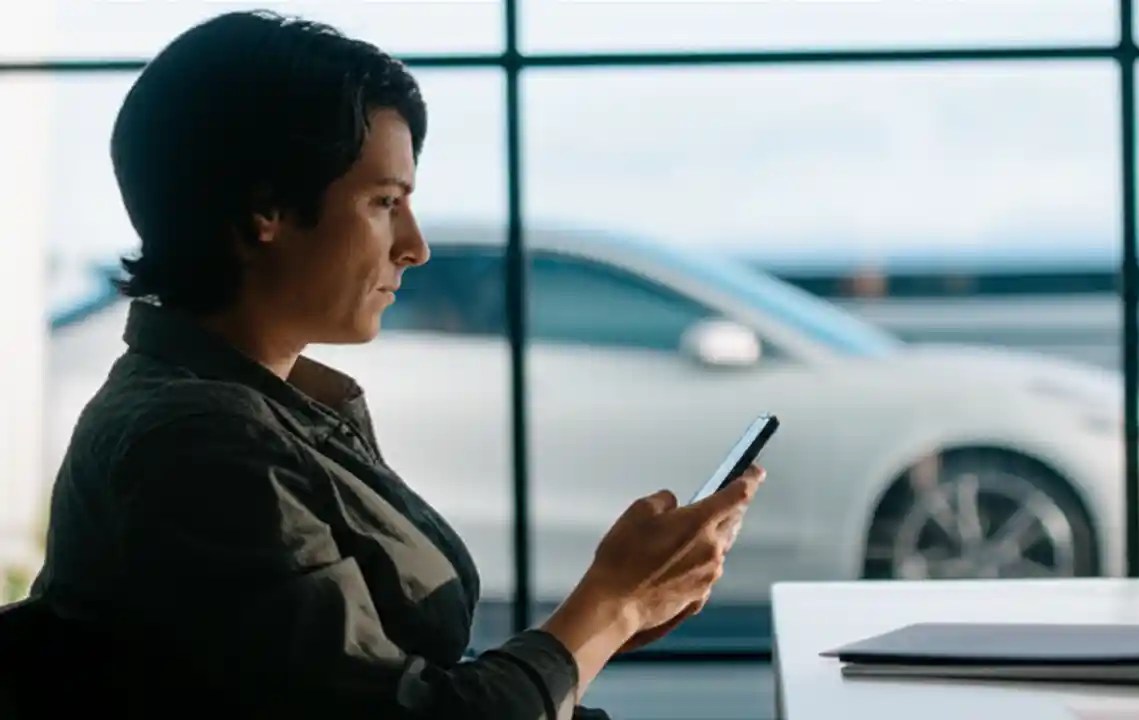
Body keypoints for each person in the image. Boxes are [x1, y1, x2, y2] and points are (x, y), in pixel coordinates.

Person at [28, 10, 764, 719]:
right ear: (267, 212)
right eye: (385, 202)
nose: (415, 246)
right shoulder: (198, 443)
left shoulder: (258, 410)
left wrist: (609, 622)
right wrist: (610, 603)